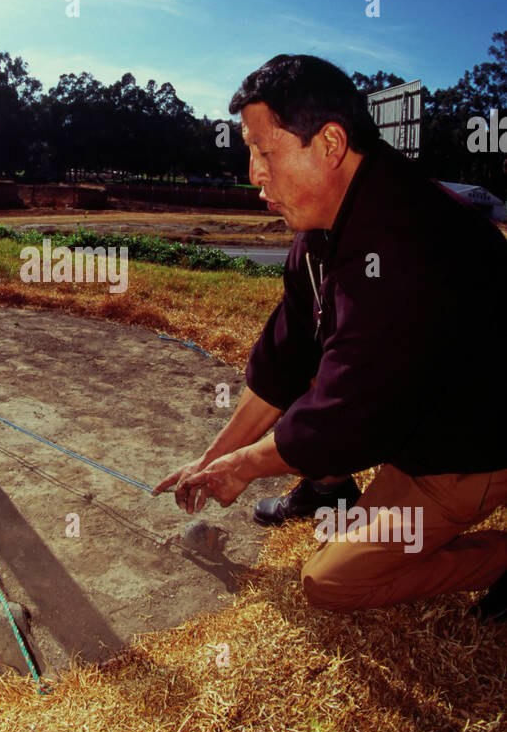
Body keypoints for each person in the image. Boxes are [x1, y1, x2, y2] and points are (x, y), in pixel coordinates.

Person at [153, 54, 507, 622]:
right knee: (313, 370)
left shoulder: (403, 241)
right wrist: (212, 458)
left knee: (331, 583)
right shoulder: (324, 225)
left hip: (470, 450)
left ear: (330, 143)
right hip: (425, 422)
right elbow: (283, 360)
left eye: (264, 152)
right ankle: (329, 489)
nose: (253, 173)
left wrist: (243, 467)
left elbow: (350, 413)